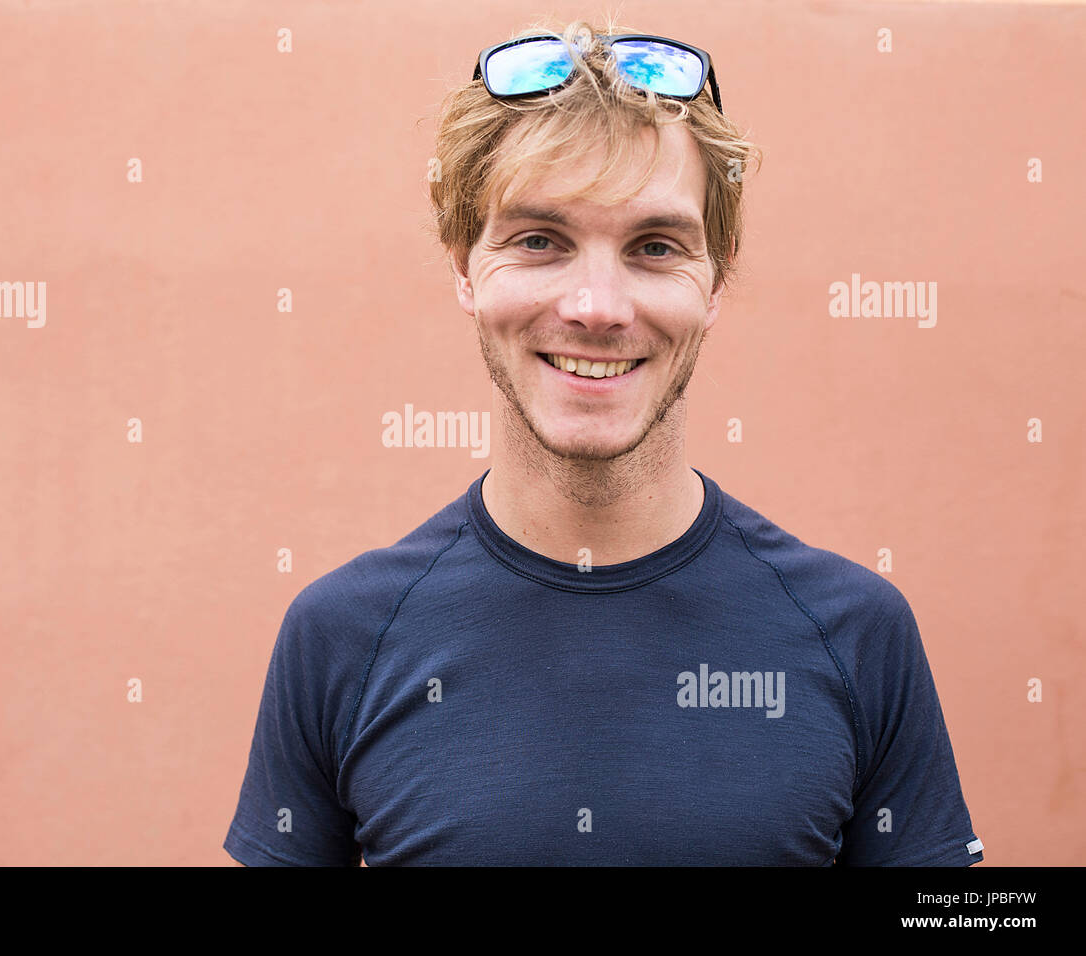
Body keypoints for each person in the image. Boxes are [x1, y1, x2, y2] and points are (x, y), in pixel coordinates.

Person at [224, 18, 983, 866]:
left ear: (716, 279)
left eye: (654, 247)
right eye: (539, 240)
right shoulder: (340, 636)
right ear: (463, 266)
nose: (597, 306)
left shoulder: (858, 634)